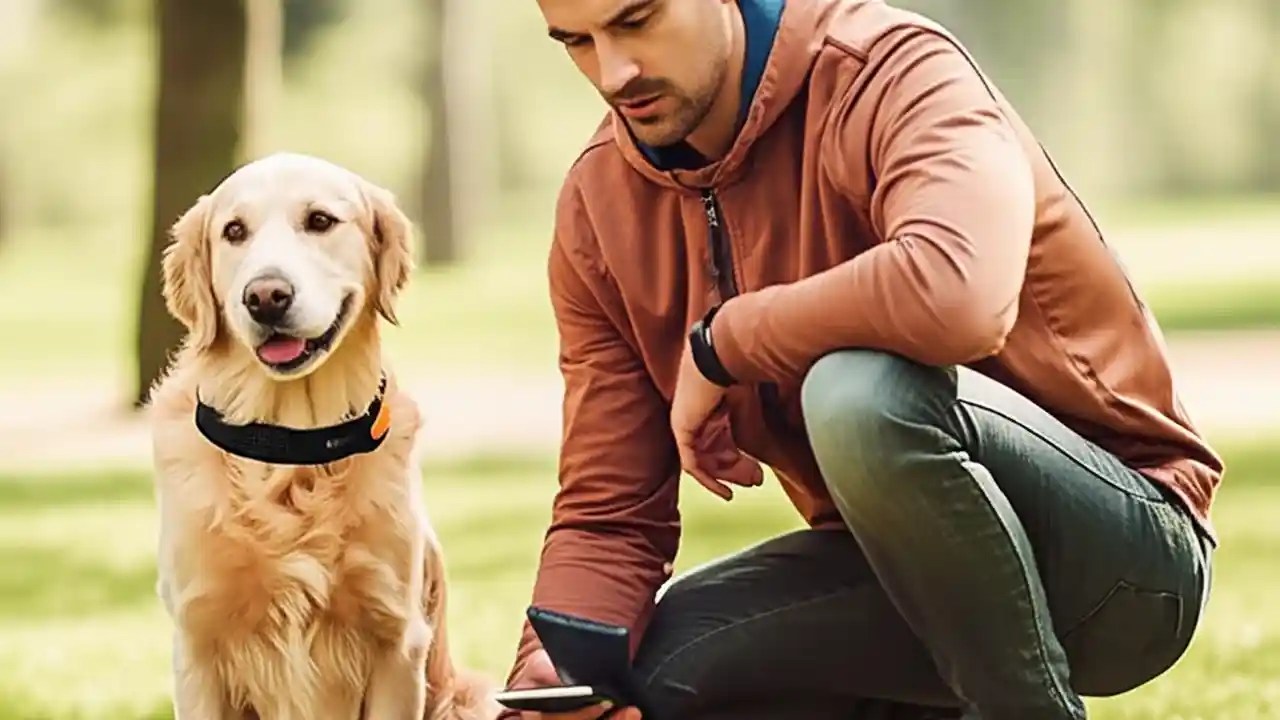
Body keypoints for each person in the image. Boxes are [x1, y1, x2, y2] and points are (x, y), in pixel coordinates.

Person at [498, 0, 1221, 718]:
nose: (613, 72)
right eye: (576, 42)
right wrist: (555, 666)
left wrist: (726, 341)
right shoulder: (599, 209)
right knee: (646, 680)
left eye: (637, 21)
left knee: (859, 393)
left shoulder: (893, 68)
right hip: (900, 578)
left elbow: (957, 292)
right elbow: (611, 508)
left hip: (1125, 563)